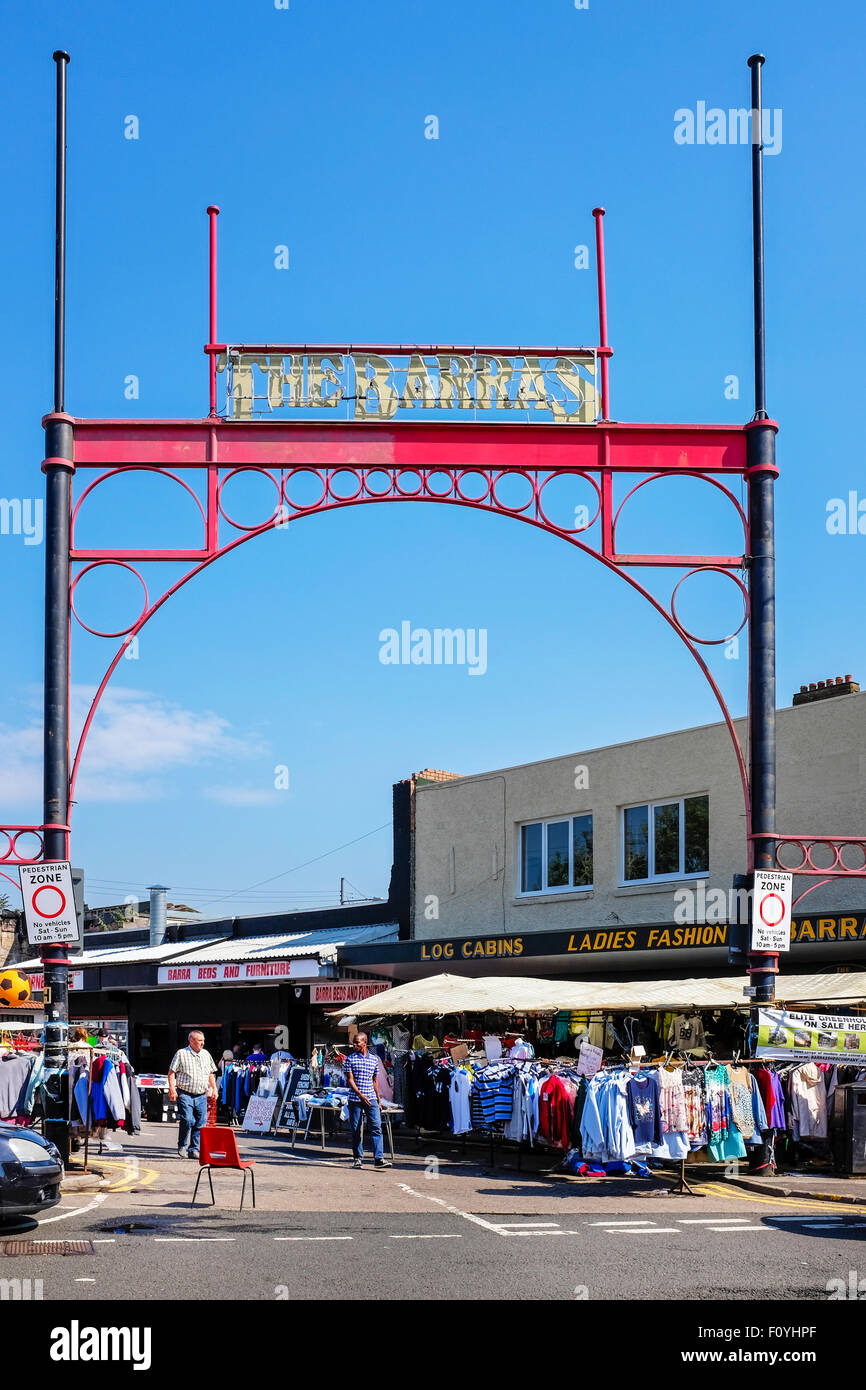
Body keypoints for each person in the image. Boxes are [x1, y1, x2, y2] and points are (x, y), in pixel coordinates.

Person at [168, 1030, 218, 1159]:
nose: (203, 1043)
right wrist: (172, 1089)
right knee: (188, 1119)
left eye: (203, 1040)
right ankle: (182, 1145)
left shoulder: (206, 1054)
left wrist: (214, 1088)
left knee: (201, 1122)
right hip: (185, 1093)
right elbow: (172, 1072)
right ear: (191, 1040)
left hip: (201, 1094)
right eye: (200, 1040)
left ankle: (194, 1149)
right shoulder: (181, 1053)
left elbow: (210, 1073)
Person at [345, 1031, 391, 1170]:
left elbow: (375, 1080)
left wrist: (378, 1099)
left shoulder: (373, 1060)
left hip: (371, 1099)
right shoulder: (350, 1059)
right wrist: (360, 1095)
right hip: (355, 1099)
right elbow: (350, 1080)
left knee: (376, 1127)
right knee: (356, 1129)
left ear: (365, 1043)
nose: (354, 1045)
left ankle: (379, 1158)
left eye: (357, 1042)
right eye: (354, 1042)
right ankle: (358, 1158)